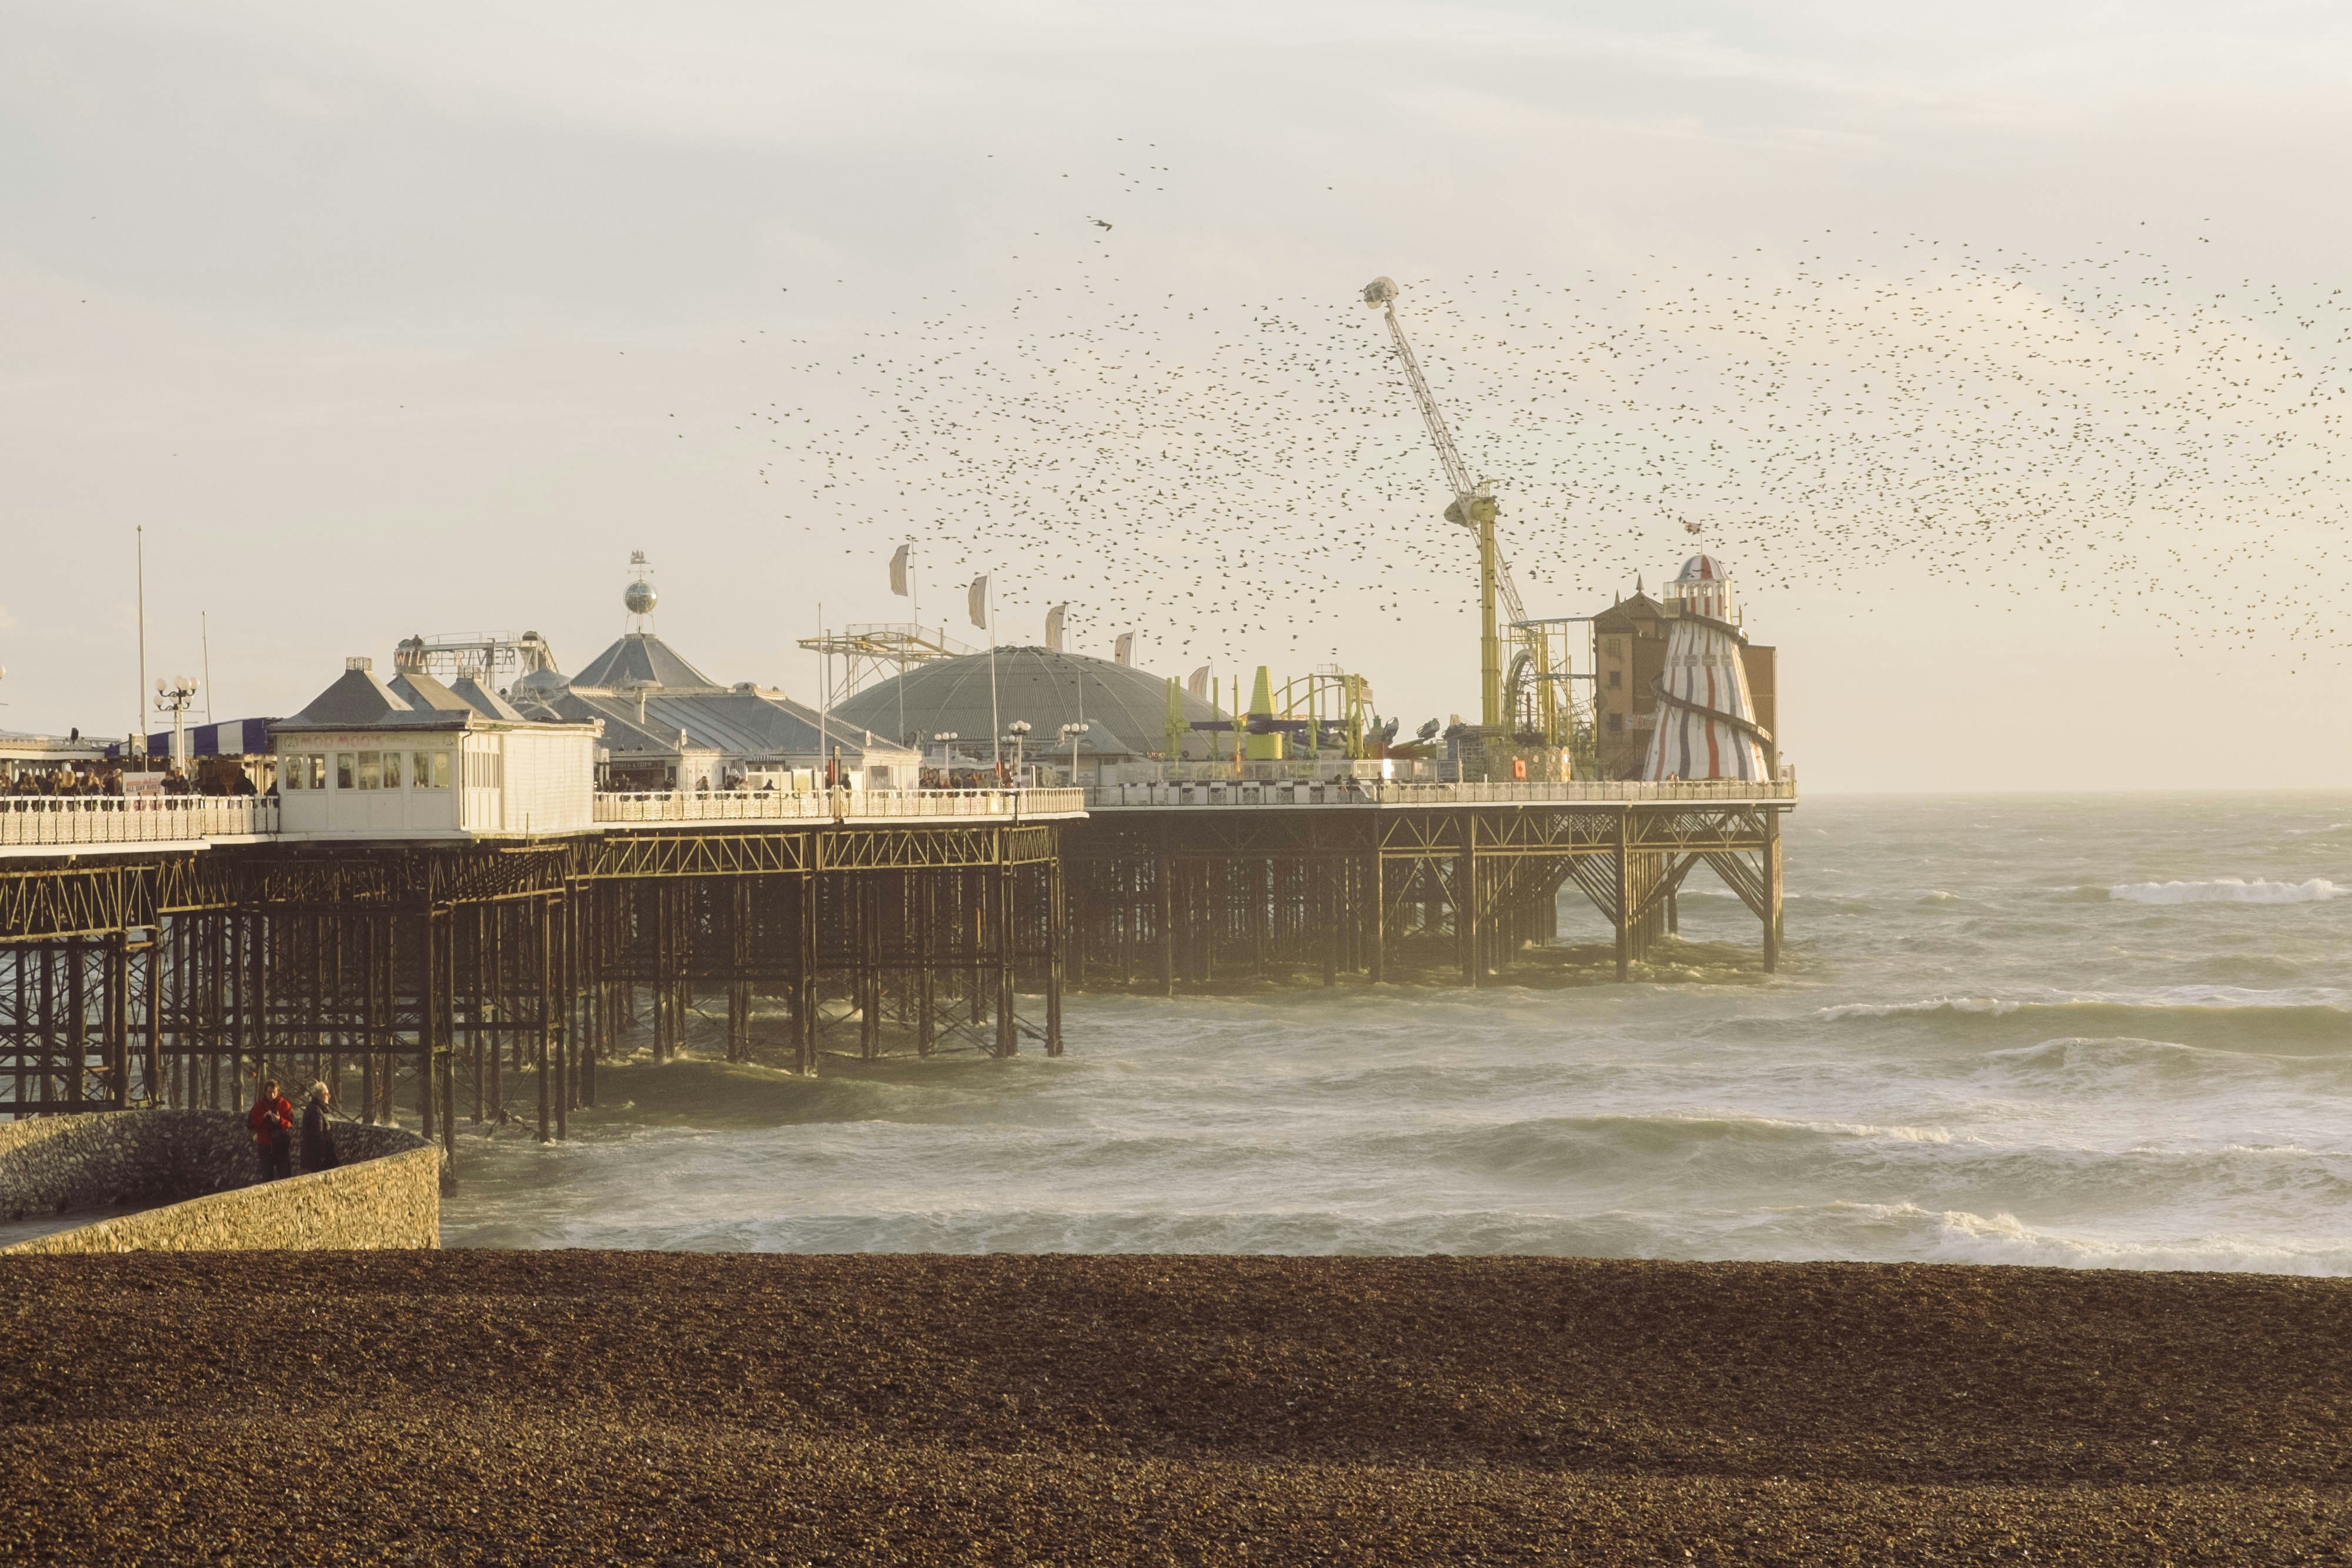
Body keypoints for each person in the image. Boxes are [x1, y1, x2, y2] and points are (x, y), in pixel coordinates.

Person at [248, 1079, 294, 1181]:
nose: (272, 1095)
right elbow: (250, 1124)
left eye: (275, 1093)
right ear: (265, 1092)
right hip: (265, 1145)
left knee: (285, 1176)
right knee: (267, 1177)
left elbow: (291, 1124)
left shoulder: (285, 1105)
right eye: (270, 1093)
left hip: (281, 1145)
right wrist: (264, 1117)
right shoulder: (258, 1106)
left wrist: (280, 1121)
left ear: (278, 1092)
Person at [300, 1082, 339, 1175]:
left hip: (313, 1156)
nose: (329, 1096)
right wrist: (323, 1156)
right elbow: (318, 1134)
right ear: (320, 1095)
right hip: (317, 1158)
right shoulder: (316, 1111)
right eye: (327, 1094)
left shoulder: (313, 1108)